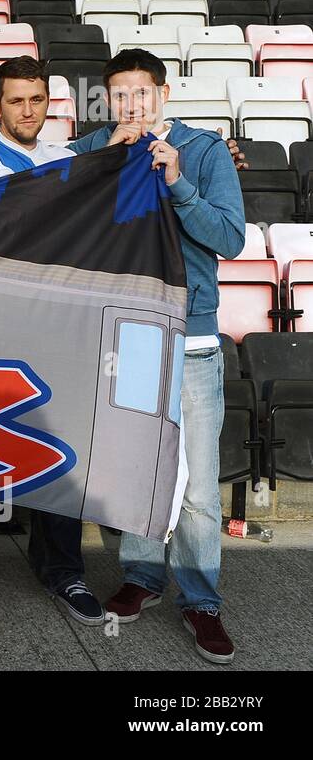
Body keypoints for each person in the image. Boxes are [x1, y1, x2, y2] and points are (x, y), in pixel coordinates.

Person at [69, 48, 244, 664]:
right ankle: (142, 578)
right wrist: (106, 157)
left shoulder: (203, 150)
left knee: (197, 485)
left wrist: (177, 183)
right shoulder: (98, 145)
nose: (131, 105)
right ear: (109, 100)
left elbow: (230, 236)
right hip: (131, 336)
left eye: (141, 93)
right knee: (141, 469)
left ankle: (201, 600)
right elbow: (46, 192)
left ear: (163, 95)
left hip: (192, 340)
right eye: (119, 95)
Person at [0, 57, 105, 625]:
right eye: (16, 101)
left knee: (61, 436)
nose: (27, 111)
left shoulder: (63, 156)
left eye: (36, 101)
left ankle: (63, 568)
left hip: (57, 316)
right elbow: (24, 205)